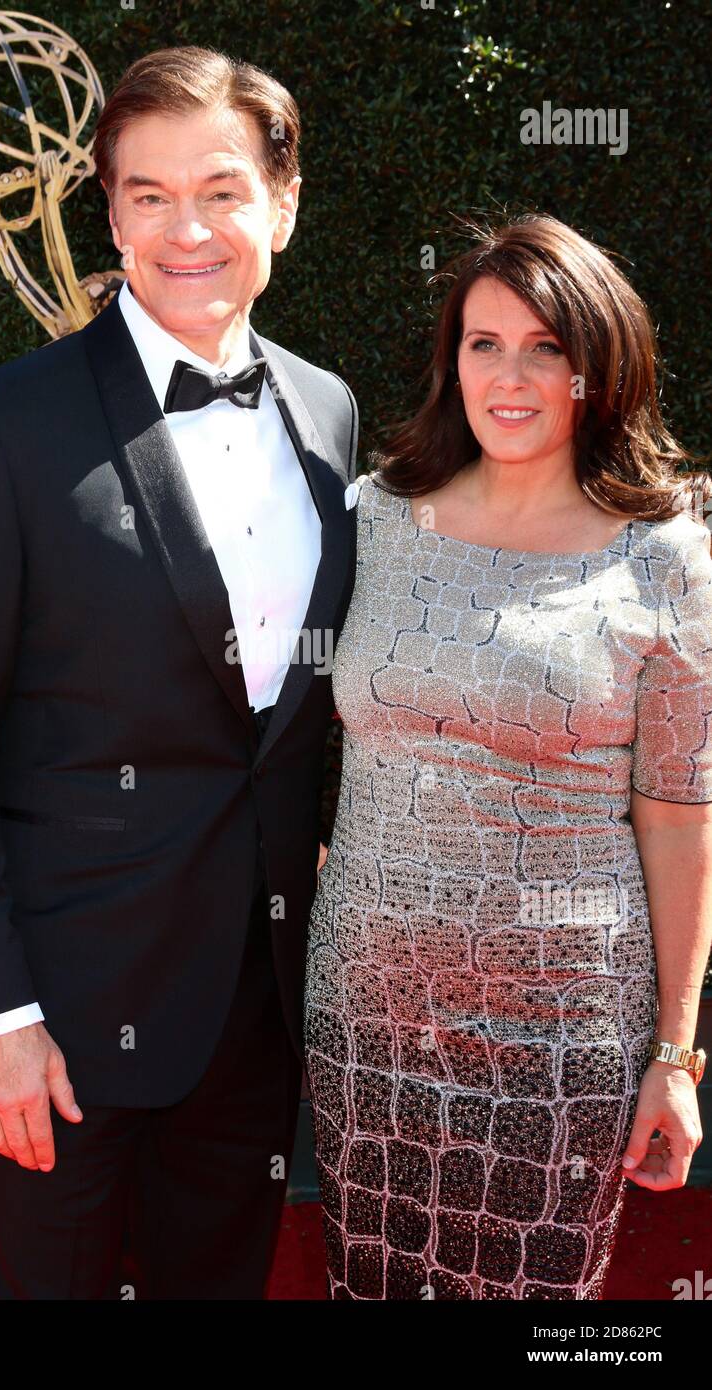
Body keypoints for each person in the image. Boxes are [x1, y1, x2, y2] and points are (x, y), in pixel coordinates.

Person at [0, 45, 358, 1299]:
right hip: (57, 1021)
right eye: (145, 195)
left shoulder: (329, 415)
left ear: (283, 204)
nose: (185, 228)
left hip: (255, 1019)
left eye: (219, 188)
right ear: (110, 214)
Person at [305, 213, 712, 1300]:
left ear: (598, 366)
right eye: (483, 343)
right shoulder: (378, 517)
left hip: (563, 1031)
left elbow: (678, 815)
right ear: (452, 362)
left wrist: (674, 1056)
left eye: (545, 347)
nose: (510, 375)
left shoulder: (665, 554)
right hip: (369, 1018)